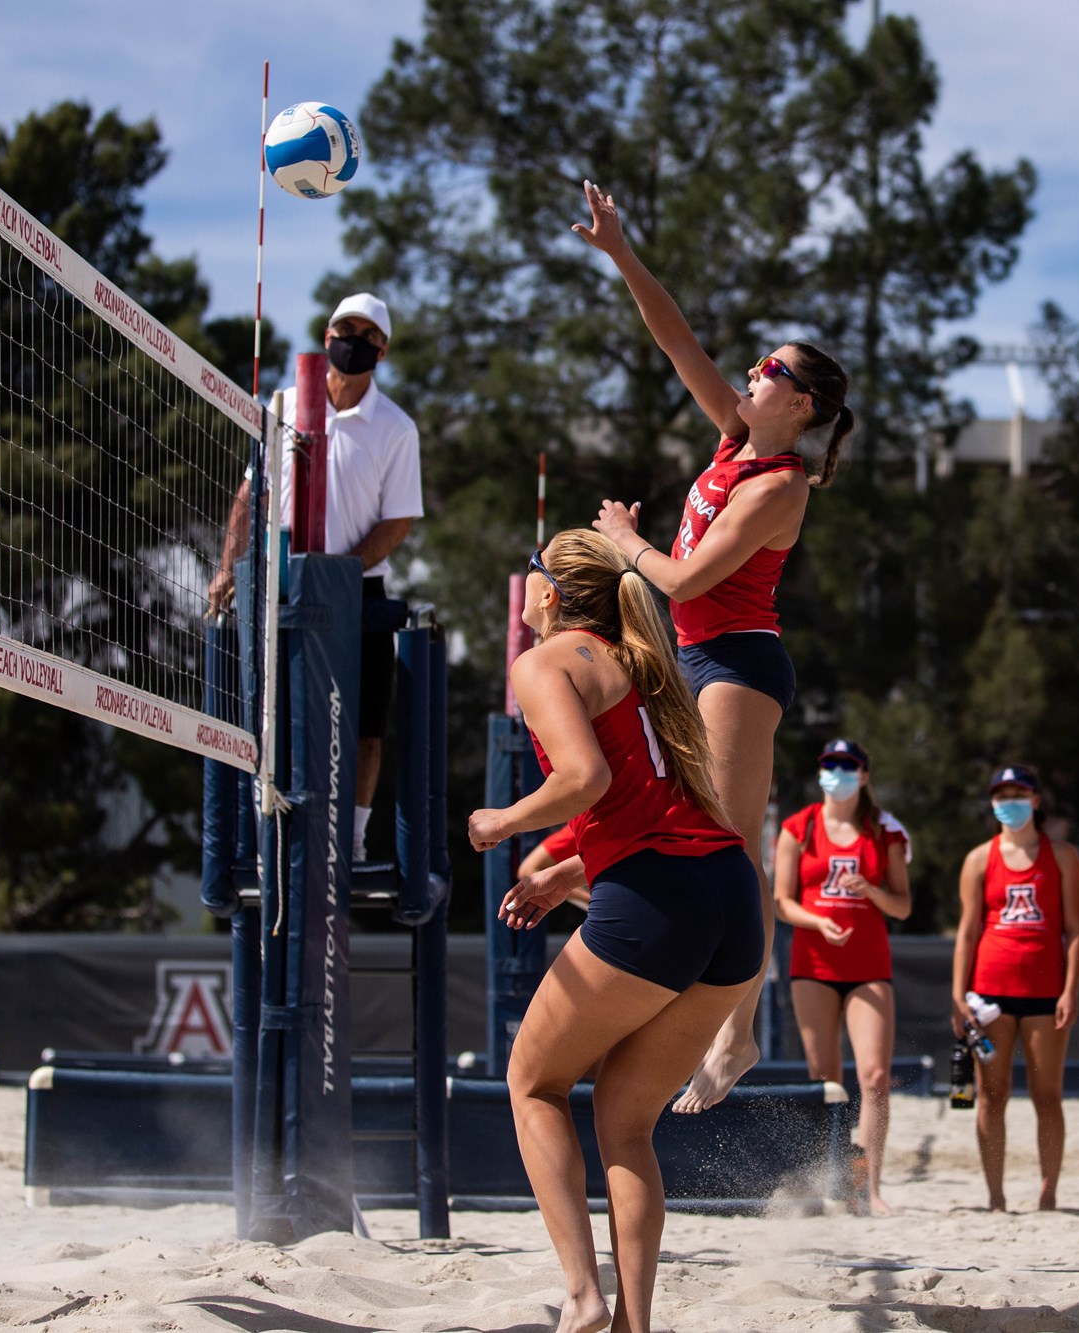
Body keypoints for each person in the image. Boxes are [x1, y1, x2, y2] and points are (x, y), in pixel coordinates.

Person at [572, 180, 854, 1113]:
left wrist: (623, 540)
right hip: (689, 657)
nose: (753, 370)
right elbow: (675, 337)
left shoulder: (782, 485)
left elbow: (686, 582)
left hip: (735, 662)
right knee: (665, 830)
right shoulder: (737, 435)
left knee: (731, 852)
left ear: (801, 403)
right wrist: (621, 253)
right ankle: (614, 918)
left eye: (771, 367)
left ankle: (736, 1032)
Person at [471, 528, 761, 1333]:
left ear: (551, 593)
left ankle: (582, 1294)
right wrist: (569, 871)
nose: (520, 582)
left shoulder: (544, 663)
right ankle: (632, 1324)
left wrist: (502, 820)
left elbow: (584, 779)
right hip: (731, 898)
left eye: (528, 569)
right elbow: (646, 804)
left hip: (658, 899)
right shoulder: (641, 660)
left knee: (533, 1083)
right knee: (627, 1122)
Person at [209, 293, 422, 862]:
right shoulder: (282, 403)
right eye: (343, 329)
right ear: (326, 337)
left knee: (365, 727)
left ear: (382, 349)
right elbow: (249, 496)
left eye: (365, 334)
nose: (352, 341)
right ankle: (267, 832)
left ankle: (349, 842)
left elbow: (398, 519)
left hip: (357, 590)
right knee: (270, 717)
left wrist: (338, 573)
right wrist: (227, 568)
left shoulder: (396, 427)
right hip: (279, 583)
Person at [774, 738, 911, 1216]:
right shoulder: (799, 826)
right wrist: (817, 922)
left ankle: (870, 1188)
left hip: (868, 966)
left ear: (864, 775)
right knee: (825, 1079)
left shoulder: (883, 830)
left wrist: (870, 889)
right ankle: (829, 1180)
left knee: (874, 1076)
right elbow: (782, 901)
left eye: (847, 765)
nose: (837, 772)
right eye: (830, 764)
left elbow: (903, 905)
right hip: (814, 965)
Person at [951, 764, 1079, 1213]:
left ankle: (1048, 1192)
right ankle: (996, 1195)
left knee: (1047, 1094)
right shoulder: (977, 858)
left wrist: (1070, 990)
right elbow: (968, 931)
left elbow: (1076, 930)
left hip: (1046, 993)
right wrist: (958, 993)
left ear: (1036, 799)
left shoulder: (1062, 856)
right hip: (990, 994)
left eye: (1018, 792)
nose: (1010, 801)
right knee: (992, 1094)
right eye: (1001, 794)